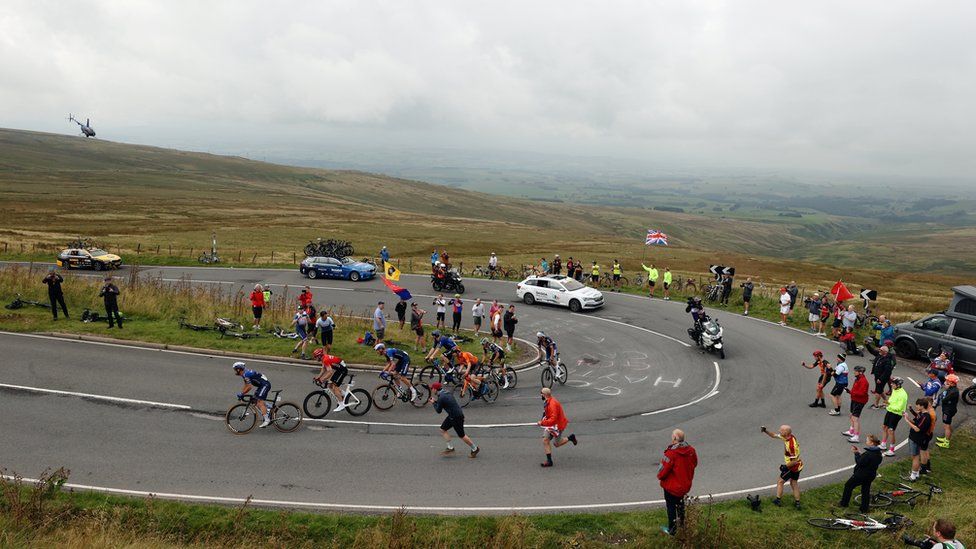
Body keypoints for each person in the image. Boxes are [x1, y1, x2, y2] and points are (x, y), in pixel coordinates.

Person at [657, 429, 697, 536]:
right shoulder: (691, 451)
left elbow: (662, 471)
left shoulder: (671, 453)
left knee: (671, 507)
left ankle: (672, 530)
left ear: (675, 438)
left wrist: (660, 477)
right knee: (680, 505)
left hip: (671, 487)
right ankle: (682, 526)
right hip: (684, 485)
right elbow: (694, 463)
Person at [429, 382, 479, 457]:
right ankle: (450, 447)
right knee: (443, 429)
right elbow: (445, 403)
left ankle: (475, 448)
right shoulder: (446, 393)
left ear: (435, 389)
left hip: (456, 417)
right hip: (453, 415)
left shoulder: (441, 397)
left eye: (432, 388)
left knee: (462, 435)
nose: (432, 390)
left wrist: (433, 403)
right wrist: (436, 401)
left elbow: (438, 411)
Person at [838, 434, 883, 513]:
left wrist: (856, 453)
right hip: (871, 475)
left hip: (861, 475)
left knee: (848, 486)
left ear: (872, 443)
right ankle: (864, 508)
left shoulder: (868, 454)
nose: (866, 441)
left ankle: (844, 503)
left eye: (867, 440)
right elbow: (867, 460)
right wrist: (860, 454)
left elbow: (860, 462)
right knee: (865, 490)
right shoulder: (878, 453)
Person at [761, 424, 803, 508]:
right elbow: (773, 435)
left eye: (781, 430)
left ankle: (778, 500)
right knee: (793, 483)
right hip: (798, 466)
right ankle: (797, 503)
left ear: (786, 432)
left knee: (780, 482)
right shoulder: (788, 437)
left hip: (792, 467)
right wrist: (765, 431)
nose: (779, 431)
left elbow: (794, 461)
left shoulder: (791, 445)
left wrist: (785, 467)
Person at [538, 387, 577, 467]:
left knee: (557, 444)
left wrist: (542, 422)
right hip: (551, 425)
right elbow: (546, 413)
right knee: (545, 440)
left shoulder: (552, 404)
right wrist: (543, 420)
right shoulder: (548, 401)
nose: (540, 395)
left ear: (544, 395)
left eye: (541, 394)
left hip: (557, 425)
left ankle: (570, 438)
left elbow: (553, 419)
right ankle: (549, 461)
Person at [232, 361, 271, 428]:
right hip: (261, 386)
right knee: (255, 400)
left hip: (265, 385)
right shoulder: (245, 374)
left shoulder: (246, 374)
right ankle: (268, 408)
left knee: (259, 401)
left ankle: (267, 420)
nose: (235, 371)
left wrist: (242, 393)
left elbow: (249, 387)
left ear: (238, 369)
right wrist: (242, 393)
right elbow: (246, 385)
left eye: (235, 369)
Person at [905, 397, 935, 480]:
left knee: (915, 457)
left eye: (917, 405)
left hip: (916, 438)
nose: (916, 406)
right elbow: (916, 421)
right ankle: (917, 473)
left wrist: (907, 421)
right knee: (915, 456)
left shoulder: (925, 417)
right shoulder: (922, 414)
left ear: (922, 406)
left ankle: (913, 476)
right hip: (915, 437)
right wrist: (908, 418)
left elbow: (917, 429)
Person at [881, 377, 908, 457]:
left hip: (896, 414)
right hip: (890, 411)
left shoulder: (903, 395)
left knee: (891, 431)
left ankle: (892, 450)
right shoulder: (895, 390)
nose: (891, 384)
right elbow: (892, 400)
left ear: (898, 385)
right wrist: (887, 402)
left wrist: (888, 405)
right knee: (884, 427)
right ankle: (883, 444)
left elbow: (899, 407)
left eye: (893, 383)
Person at [843, 365, 869, 442]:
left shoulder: (864, 381)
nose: (854, 372)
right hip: (854, 399)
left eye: (856, 371)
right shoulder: (858, 379)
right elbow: (856, 390)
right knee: (852, 415)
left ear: (860, 372)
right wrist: (849, 391)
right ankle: (851, 431)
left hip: (860, 401)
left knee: (855, 418)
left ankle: (856, 437)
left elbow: (862, 393)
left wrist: (851, 392)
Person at [935, 374, 960, 449]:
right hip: (948, 409)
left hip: (948, 411)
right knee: (947, 425)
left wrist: (942, 395)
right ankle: (946, 438)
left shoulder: (953, 392)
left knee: (946, 426)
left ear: (952, 383)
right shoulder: (951, 389)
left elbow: (944, 400)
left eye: (947, 381)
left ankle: (946, 443)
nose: (946, 382)